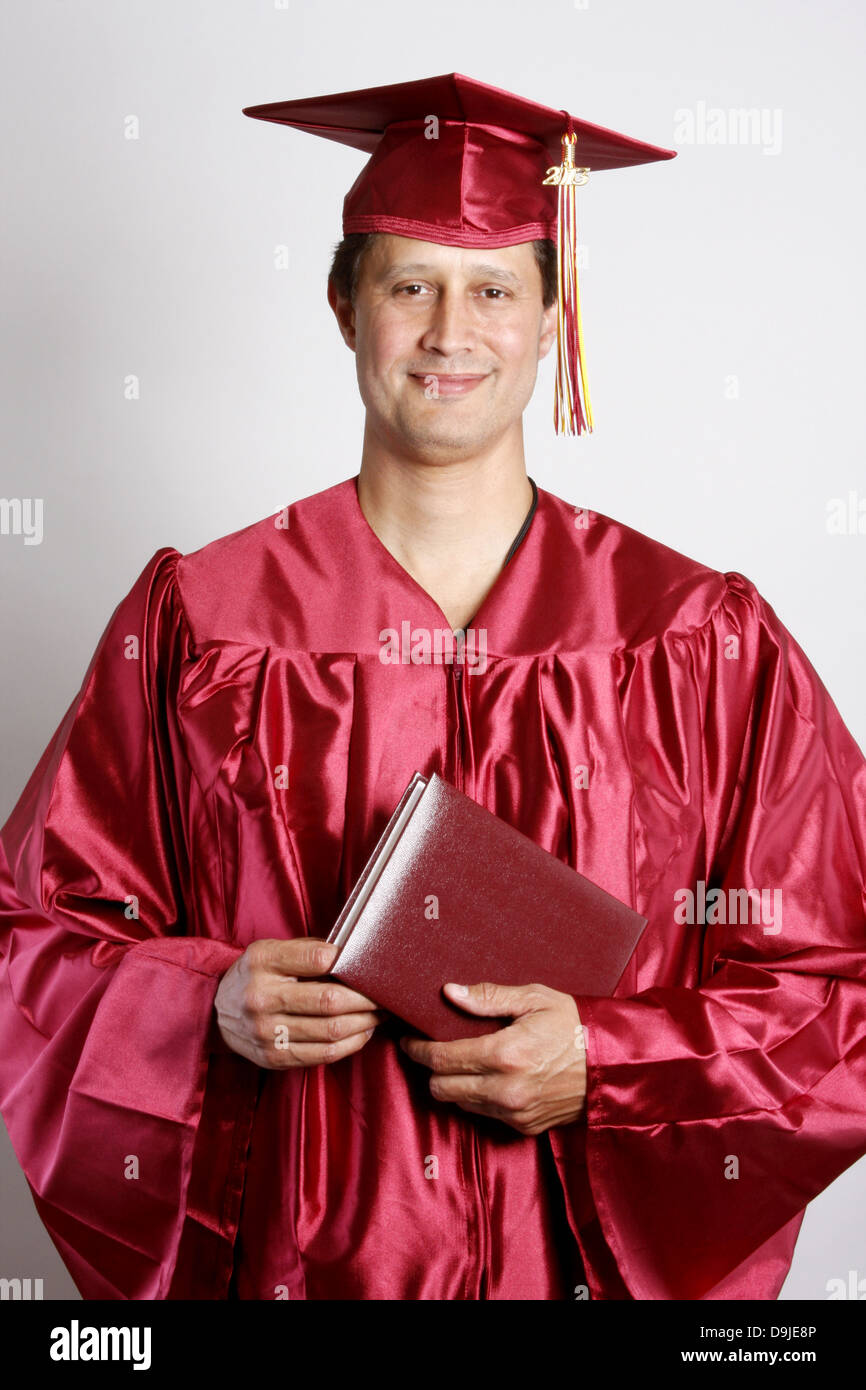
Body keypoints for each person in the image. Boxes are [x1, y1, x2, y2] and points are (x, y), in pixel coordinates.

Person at [1, 71, 865, 1301]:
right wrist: (205, 999)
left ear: (553, 314)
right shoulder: (201, 619)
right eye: (410, 285)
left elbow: (837, 981)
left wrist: (613, 1061)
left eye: (493, 290)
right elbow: (34, 935)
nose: (450, 334)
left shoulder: (694, 638)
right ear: (343, 304)